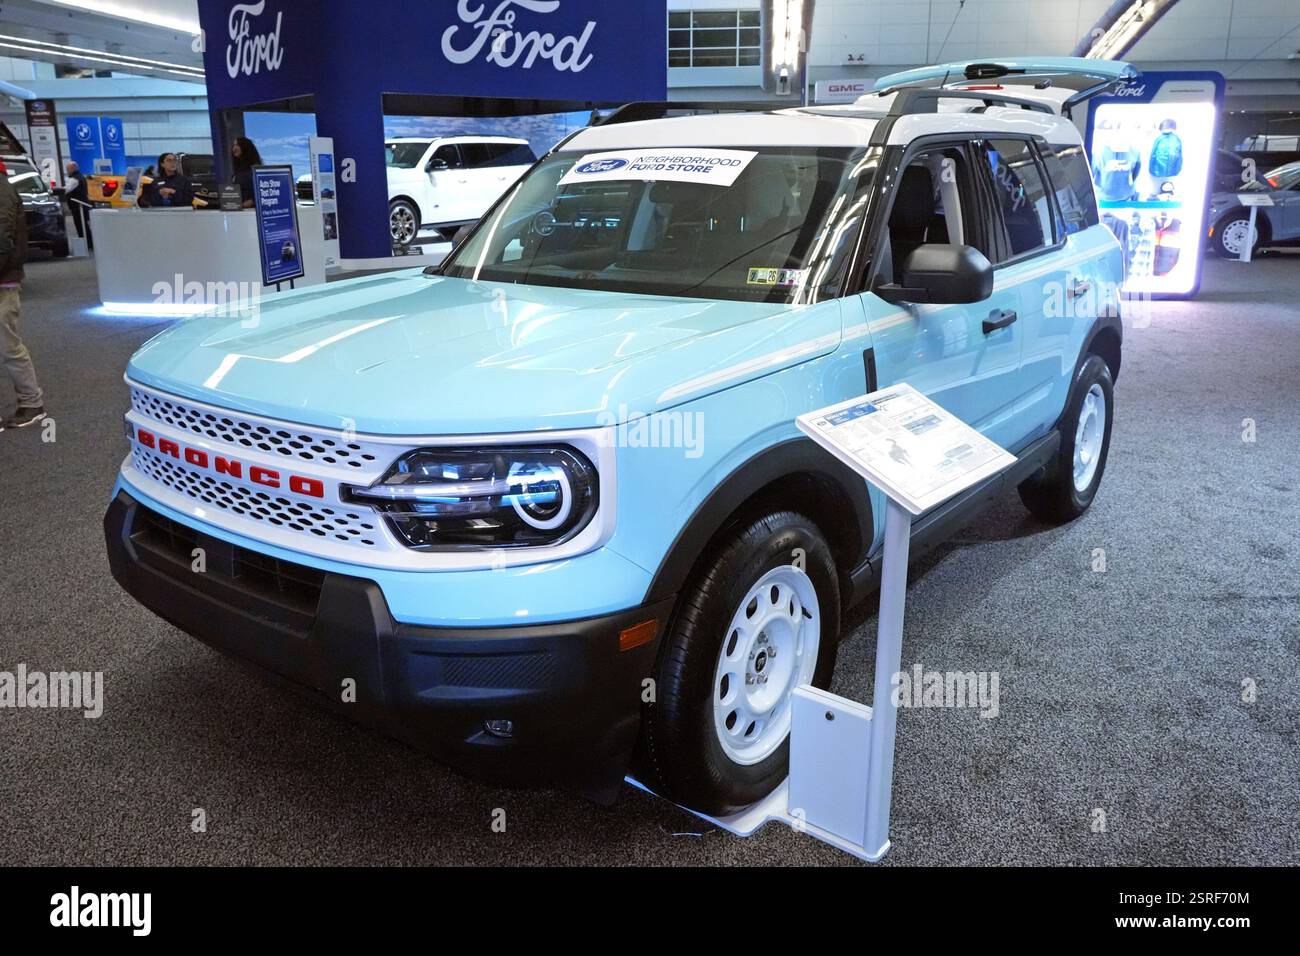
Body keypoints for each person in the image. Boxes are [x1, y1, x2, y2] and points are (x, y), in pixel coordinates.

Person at [0, 163, 46, 430]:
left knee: (7, 345)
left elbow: (2, 239)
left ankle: (31, 403)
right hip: (5, 276)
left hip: (4, 279)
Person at [63, 160, 92, 249]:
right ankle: (88, 243)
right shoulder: (80, 177)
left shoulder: (74, 179)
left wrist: (56, 190)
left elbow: (66, 189)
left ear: (72, 169)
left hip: (78, 206)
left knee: (80, 225)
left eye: (67, 169)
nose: (67, 171)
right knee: (83, 225)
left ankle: (86, 243)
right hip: (81, 204)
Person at [229, 137, 262, 209]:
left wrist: (250, 202)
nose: (234, 148)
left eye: (237, 145)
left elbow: (261, 192)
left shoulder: (255, 169)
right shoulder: (238, 169)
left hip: (252, 211)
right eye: (234, 145)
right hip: (240, 210)